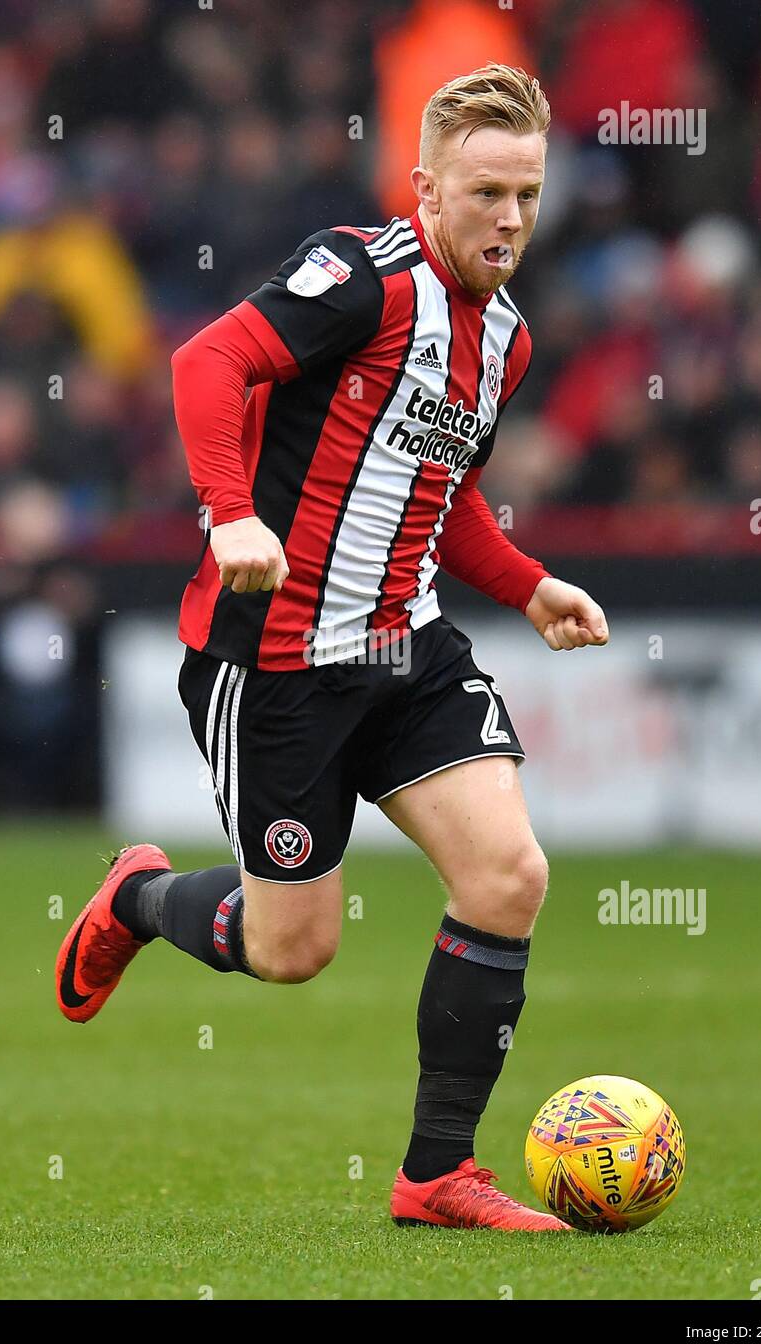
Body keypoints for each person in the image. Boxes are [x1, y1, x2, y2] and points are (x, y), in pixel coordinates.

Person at [55, 64, 608, 1231]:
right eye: (485, 191)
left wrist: (531, 582)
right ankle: (138, 899)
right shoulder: (362, 274)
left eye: (527, 193)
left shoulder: (503, 340)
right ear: (427, 189)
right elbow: (206, 362)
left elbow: (444, 497)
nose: (509, 217)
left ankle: (436, 1176)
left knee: (510, 875)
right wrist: (229, 508)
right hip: (276, 660)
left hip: (409, 648)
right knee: (291, 948)